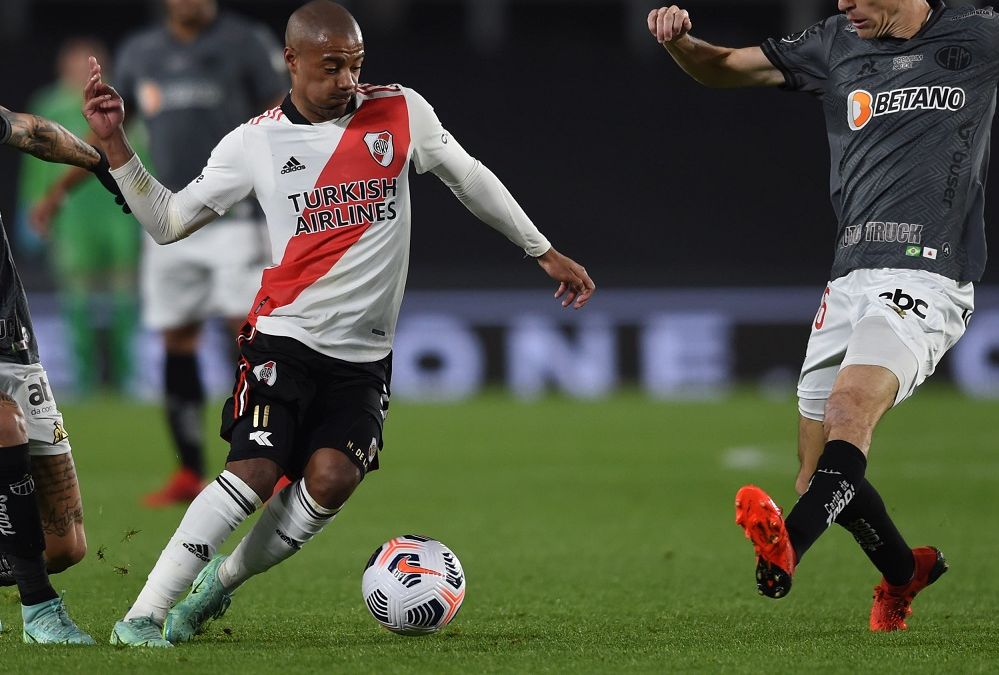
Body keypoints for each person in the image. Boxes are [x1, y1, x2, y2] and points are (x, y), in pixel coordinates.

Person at [647, 0, 999, 631]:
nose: (843, 5)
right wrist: (680, 42)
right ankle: (905, 571)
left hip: (928, 273)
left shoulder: (981, 35)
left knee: (850, 409)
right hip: (848, 276)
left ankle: (788, 548)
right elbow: (723, 67)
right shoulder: (832, 42)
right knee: (817, 476)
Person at [86, 0, 595, 648]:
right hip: (284, 336)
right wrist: (115, 144)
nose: (347, 81)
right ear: (291, 61)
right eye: (331, 67)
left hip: (363, 359)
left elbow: (469, 177)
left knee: (331, 481)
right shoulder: (255, 142)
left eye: (355, 65)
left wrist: (542, 250)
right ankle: (144, 613)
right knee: (255, 471)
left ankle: (220, 583)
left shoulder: (401, 111)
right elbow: (167, 221)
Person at [41, 0, 289, 507]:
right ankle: (189, 470)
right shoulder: (141, 51)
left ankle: (270, 459)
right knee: (178, 337)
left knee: (246, 333)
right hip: (168, 213)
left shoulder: (245, 41)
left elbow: (283, 113)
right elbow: (105, 131)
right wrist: (61, 188)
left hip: (235, 214)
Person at [0, 105, 129, 643]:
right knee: (4, 426)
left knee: (64, 545)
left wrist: (98, 162)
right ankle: (40, 610)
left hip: (11, 336)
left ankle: (33, 582)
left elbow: (33, 131)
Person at [22, 38, 140, 398]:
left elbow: (142, 152)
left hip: (117, 214)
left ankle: (125, 378)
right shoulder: (48, 104)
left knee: (124, 298)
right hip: (73, 218)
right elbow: (34, 162)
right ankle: (85, 381)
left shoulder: (116, 102)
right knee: (77, 300)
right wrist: (34, 207)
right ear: (62, 68)